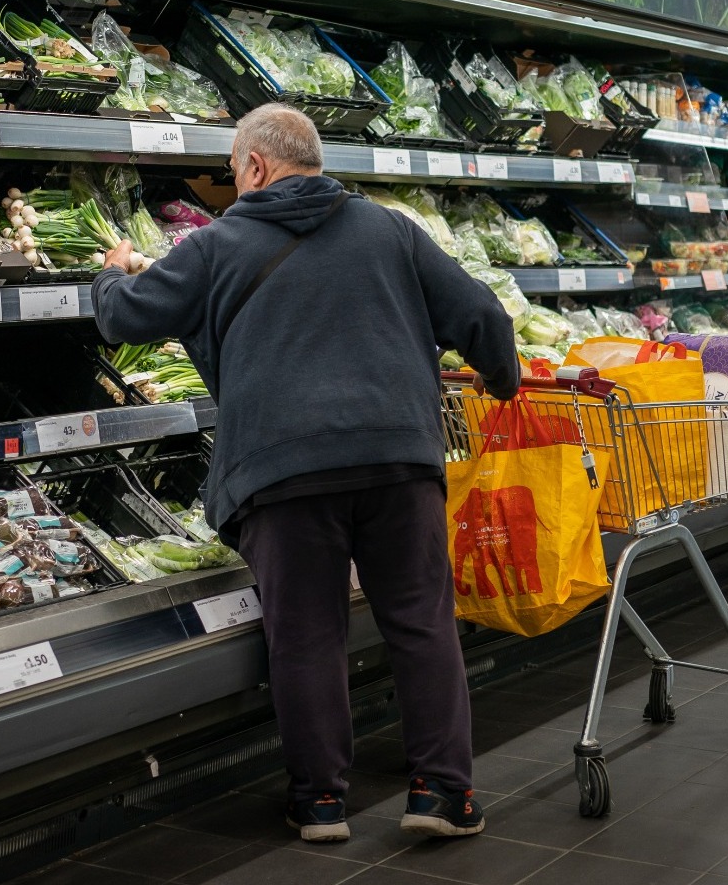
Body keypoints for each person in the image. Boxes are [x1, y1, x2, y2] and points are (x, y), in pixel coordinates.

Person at [92, 104, 518, 843]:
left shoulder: (216, 244)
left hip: (282, 471)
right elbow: (483, 314)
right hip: (397, 461)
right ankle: (443, 793)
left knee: (307, 636)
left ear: (256, 166)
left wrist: (108, 274)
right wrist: (502, 379)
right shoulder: (391, 230)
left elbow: (125, 317)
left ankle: (321, 802)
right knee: (421, 621)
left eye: (233, 169)